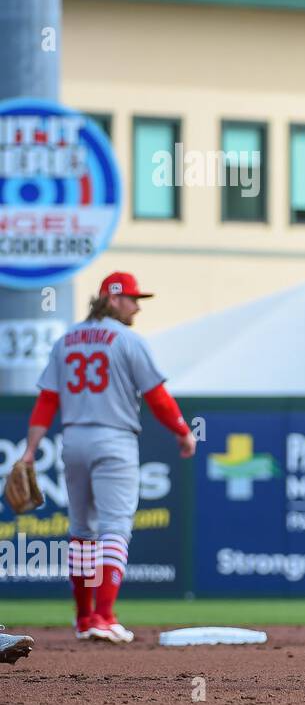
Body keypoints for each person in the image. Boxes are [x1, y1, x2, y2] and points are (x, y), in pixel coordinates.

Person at [23, 272, 197, 643]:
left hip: (74, 440)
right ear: (114, 299)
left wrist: (29, 449)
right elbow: (157, 397)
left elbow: (47, 400)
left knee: (82, 531)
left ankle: (84, 619)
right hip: (114, 439)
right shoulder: (129, 340)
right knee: (115, 527)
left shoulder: (67, 338)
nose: (137, 306)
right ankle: (105, 616)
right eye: (133, 299)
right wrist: (183, 432)